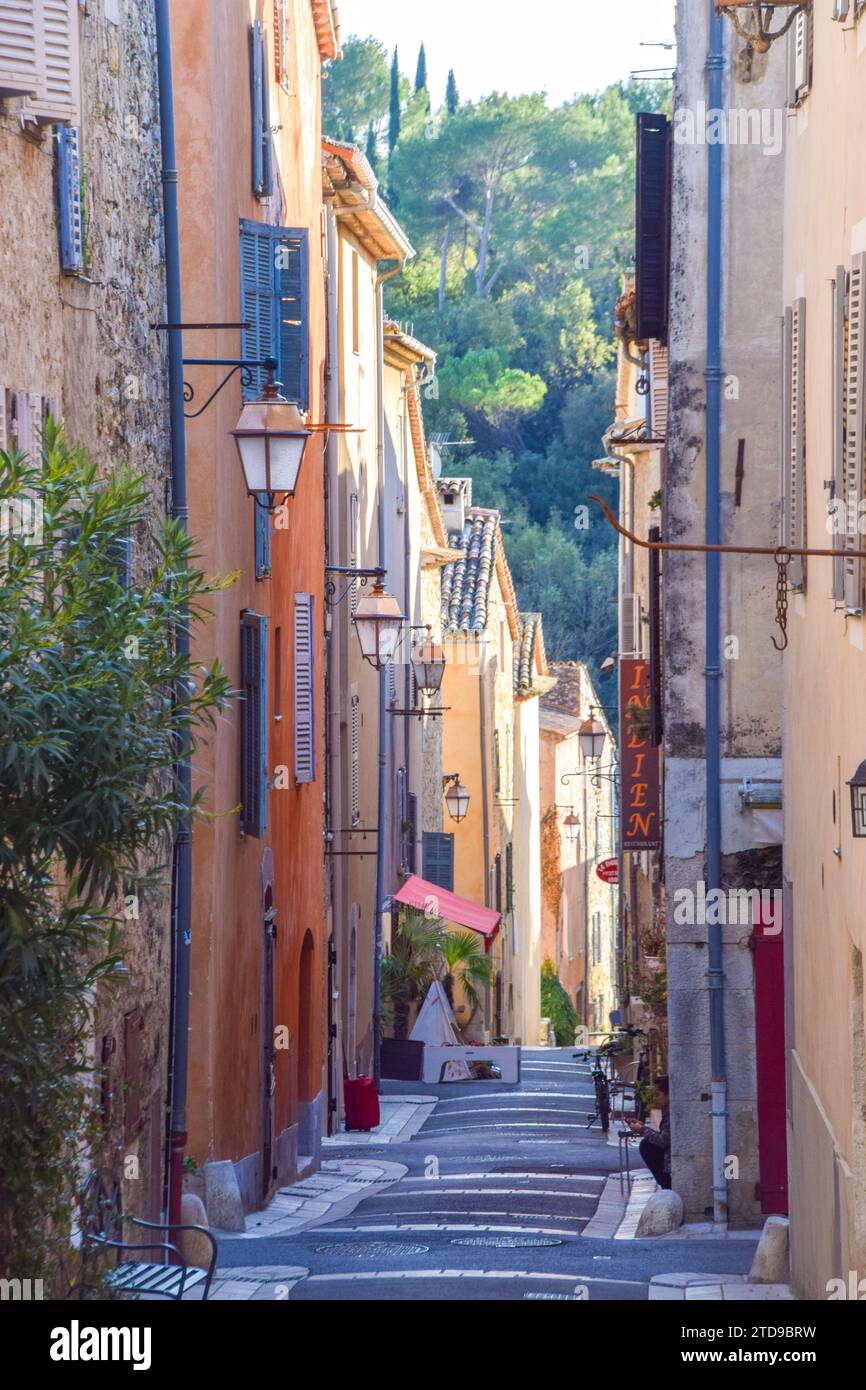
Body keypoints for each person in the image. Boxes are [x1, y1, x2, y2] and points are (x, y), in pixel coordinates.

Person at [627, 1075, 671, 1190]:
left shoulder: (672, 1113)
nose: (655, 1099)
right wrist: (644, 1128)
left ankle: (667, 1184)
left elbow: (663, 1141)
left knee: (647, 1146)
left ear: (669, 1095)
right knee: (647, 1144)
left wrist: (642, 1130)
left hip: (671, 1160)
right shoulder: (667, 1111)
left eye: (658, 1095)